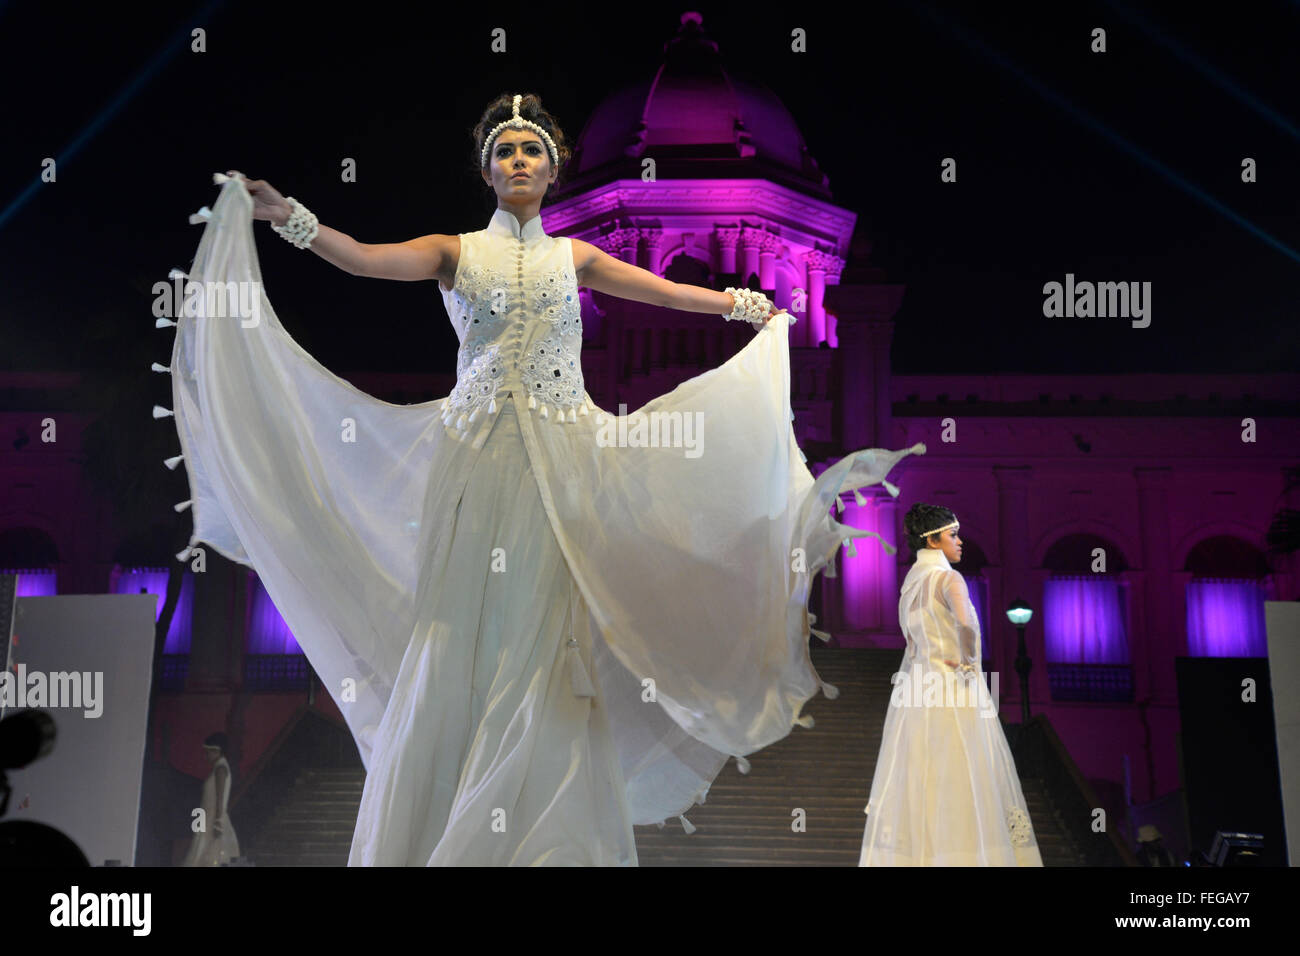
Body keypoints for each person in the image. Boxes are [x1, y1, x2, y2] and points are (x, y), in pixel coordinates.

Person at [161, 92, 925, 865]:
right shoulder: (453, 250)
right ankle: (452, 815)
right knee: (463, 631)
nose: (519, 161)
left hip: (563, 457)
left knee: (546, 636)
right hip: (479, 457)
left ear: (554, 171)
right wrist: (285, 212)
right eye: (505, 151)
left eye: (532, 151)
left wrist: (744, 305)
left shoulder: (577, 258)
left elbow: (662, 292)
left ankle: (538, 827)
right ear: (488, 170)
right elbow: (360, 257)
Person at [860, 504, 1043, 866]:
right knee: (965, 771)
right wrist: (970, 662)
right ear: (932, 539)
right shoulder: (948, 579)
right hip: (951, 685)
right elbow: (968, 626)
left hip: (918, 691)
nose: (961, 542)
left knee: (924, 774)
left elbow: (912, 645)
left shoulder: (910, 585)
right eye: (953, 534)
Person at [180, 733, 240, 866]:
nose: (205, 756)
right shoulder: (217, 768)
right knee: (198, 851)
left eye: (208, 752)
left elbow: (220, 797)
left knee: (210, 853)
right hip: (205, 817)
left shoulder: (221, 769)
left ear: (216, 751)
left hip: (213, 818)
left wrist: (218, 822)